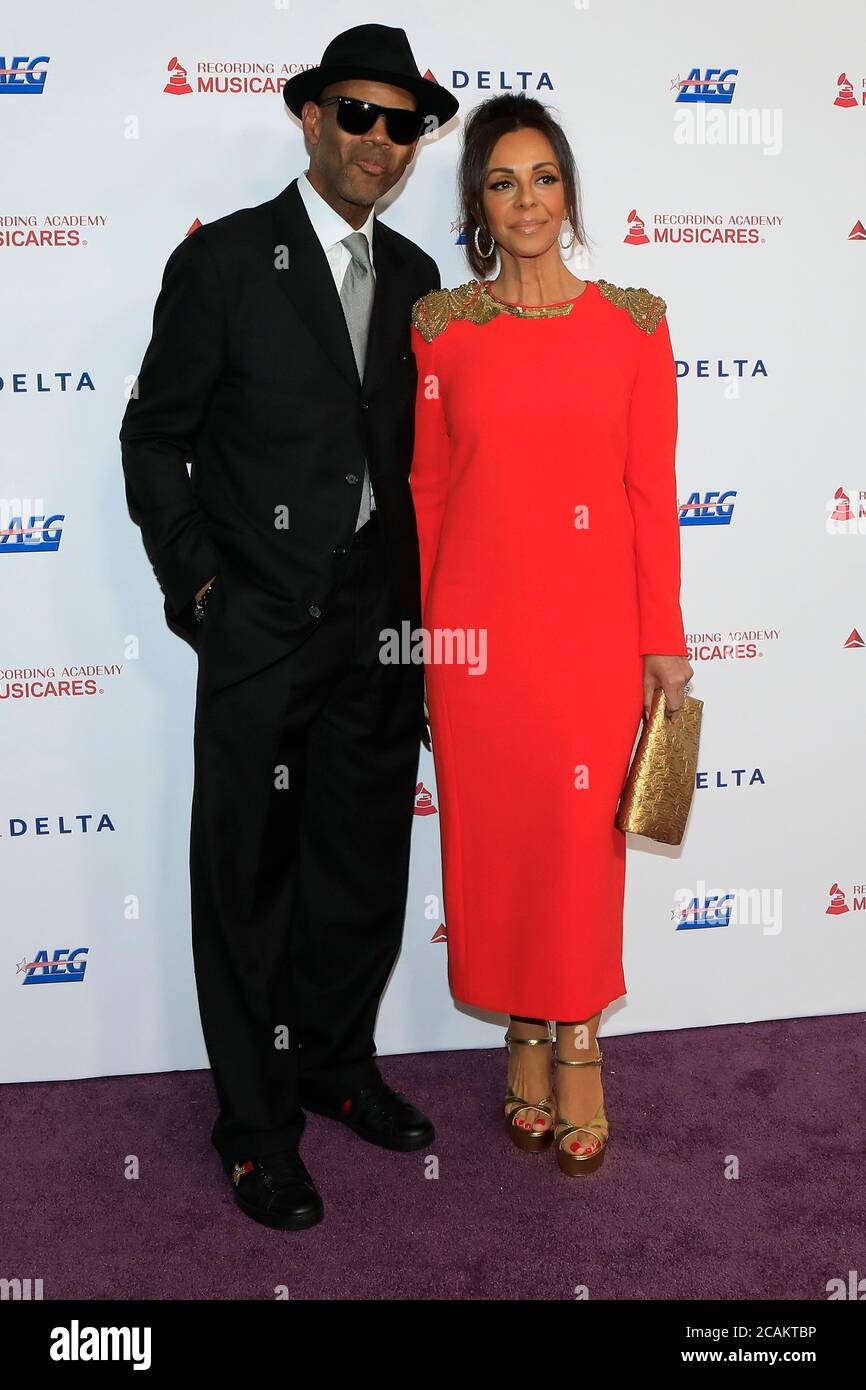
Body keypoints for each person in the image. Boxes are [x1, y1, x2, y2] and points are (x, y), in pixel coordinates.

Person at [119, 25, 458, 1228]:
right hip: (259, 624)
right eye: (356, 113)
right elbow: (155, 436)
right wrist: (204, 590)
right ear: (309, 117)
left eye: (400, 123)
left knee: (360, 865)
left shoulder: (417, 276)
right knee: (249, 881)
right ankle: (256, 1128)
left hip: (380, 628)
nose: (378, 139)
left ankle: (334, 1062)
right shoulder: (222, 262)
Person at [409, 94, 694, 1177]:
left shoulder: (634, 324)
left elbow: (650, 493)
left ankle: (577, 1038)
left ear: (567, 192)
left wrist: (662, 639)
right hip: (477, 643)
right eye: (501, 182)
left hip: (591, 639)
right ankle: (522, 1028)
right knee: (500, 840)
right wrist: (430, 649)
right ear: (476, 204)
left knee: (579, 844)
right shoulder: (441, 329)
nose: (525, 200)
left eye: (542, 177)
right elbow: (428, 496)